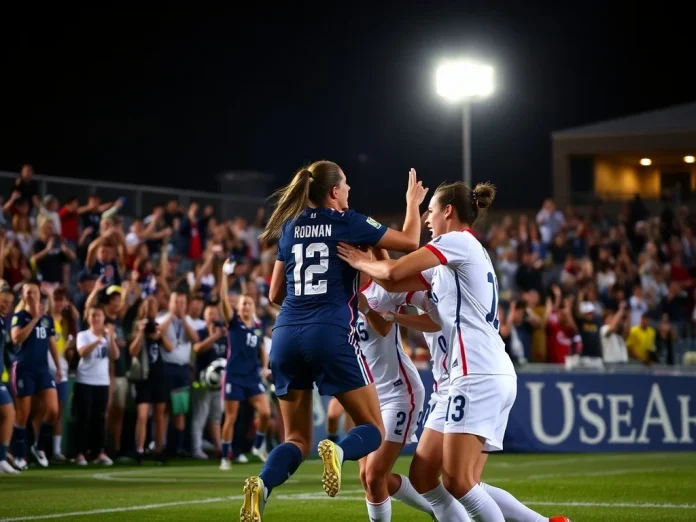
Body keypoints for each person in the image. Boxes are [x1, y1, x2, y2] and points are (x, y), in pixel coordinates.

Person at [338, 181, 570, 522]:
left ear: (448, 211)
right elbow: (390, 282)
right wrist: (372, 262)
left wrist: (359, 259)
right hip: (467, 376)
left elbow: (389, 271)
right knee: (424, 475)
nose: (427, 218)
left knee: (460, 481)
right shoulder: (449, 259)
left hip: (477, 373)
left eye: (430, 210)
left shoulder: (456, 242)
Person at [239, 162, 428, 522]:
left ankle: (263, 485)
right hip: (329, 331)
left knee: (295, 439)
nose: (349, 190)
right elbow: (409, 242)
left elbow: (275, 293)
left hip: (284, 334)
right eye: (345, 185)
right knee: (372, 428)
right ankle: (338, 453)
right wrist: (412, 203)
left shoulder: (290, 227)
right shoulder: (347, 221)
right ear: (333, 192)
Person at [353, 276, 432, 521]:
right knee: (370, 477)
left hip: (399, 392)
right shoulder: (337, 294)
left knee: (375, 475)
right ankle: (439, 510)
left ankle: (442, 510)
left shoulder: (384, 286)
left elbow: (386, 327)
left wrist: (365, 306)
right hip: (368, 396)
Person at [220, 269, 271, 471]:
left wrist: (264, 368)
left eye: (249, 303)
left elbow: (261, 350)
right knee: (231, 417)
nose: (246, 307)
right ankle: (225, 457)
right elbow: (223, 300)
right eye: (243, 304)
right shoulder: (233, 323)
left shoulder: (257, 327)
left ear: (253, 307)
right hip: (234, 375)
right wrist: (224, 277)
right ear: (238, 308)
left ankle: (258, 446)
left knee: (265, 413)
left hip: (251, 376)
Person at [10, 281, 61, 470]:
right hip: (23, 368)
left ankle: (39, 447)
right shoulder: (20, 316)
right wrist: (34, 319)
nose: (31, 295)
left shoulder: (47, 319)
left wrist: (57, 366)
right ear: (23, 297)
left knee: (53, 411)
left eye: (34, 292)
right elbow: (16, 339)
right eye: (28, 293)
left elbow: (52, 344)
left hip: (42, 369)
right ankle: (19, 455)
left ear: (40, 295)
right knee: (22, 415)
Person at [74, 305, 119, 466]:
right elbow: (82, 352)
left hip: (102, 381)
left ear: (103, 318)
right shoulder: (83, 335)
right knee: (84, 417)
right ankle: (80, 453)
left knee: (99, 418)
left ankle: (98, 452)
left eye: (98, 315)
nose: (95, 319)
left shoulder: (107, 337)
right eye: (92, 316)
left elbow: (115, 355)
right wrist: (99, 339)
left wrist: (110, 338)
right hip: (85, 380)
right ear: (88, 318)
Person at [130, 297, 172, 463]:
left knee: (160, 415)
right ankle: (139, 450)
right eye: (148, 306)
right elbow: (133, 351)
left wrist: (160, 336)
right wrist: (141, 332)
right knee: (142, 414)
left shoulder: (159, 326)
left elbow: (169, 348)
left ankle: (159, 449)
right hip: (143, 376)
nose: (151, 309)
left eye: (154, 306)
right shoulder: (137, 325)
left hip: (159, 375)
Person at [191, 302, 227, 460]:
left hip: (219, 384)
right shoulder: (200, 332)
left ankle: (219, 448)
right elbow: (197, 349)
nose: (212, 317)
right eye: (209, 314)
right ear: (204, 317)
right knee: (200, 416)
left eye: (214, 313)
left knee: (216, 417)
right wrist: (213, 337)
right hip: (202, 382)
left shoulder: (224, 336)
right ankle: (196, 449)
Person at [0, 286, 18, 473]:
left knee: (8, 413)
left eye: (9, 303)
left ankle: (2, 456)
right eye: (3, 300)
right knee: (8, 412)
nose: (6, 305)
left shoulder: (3, 322)